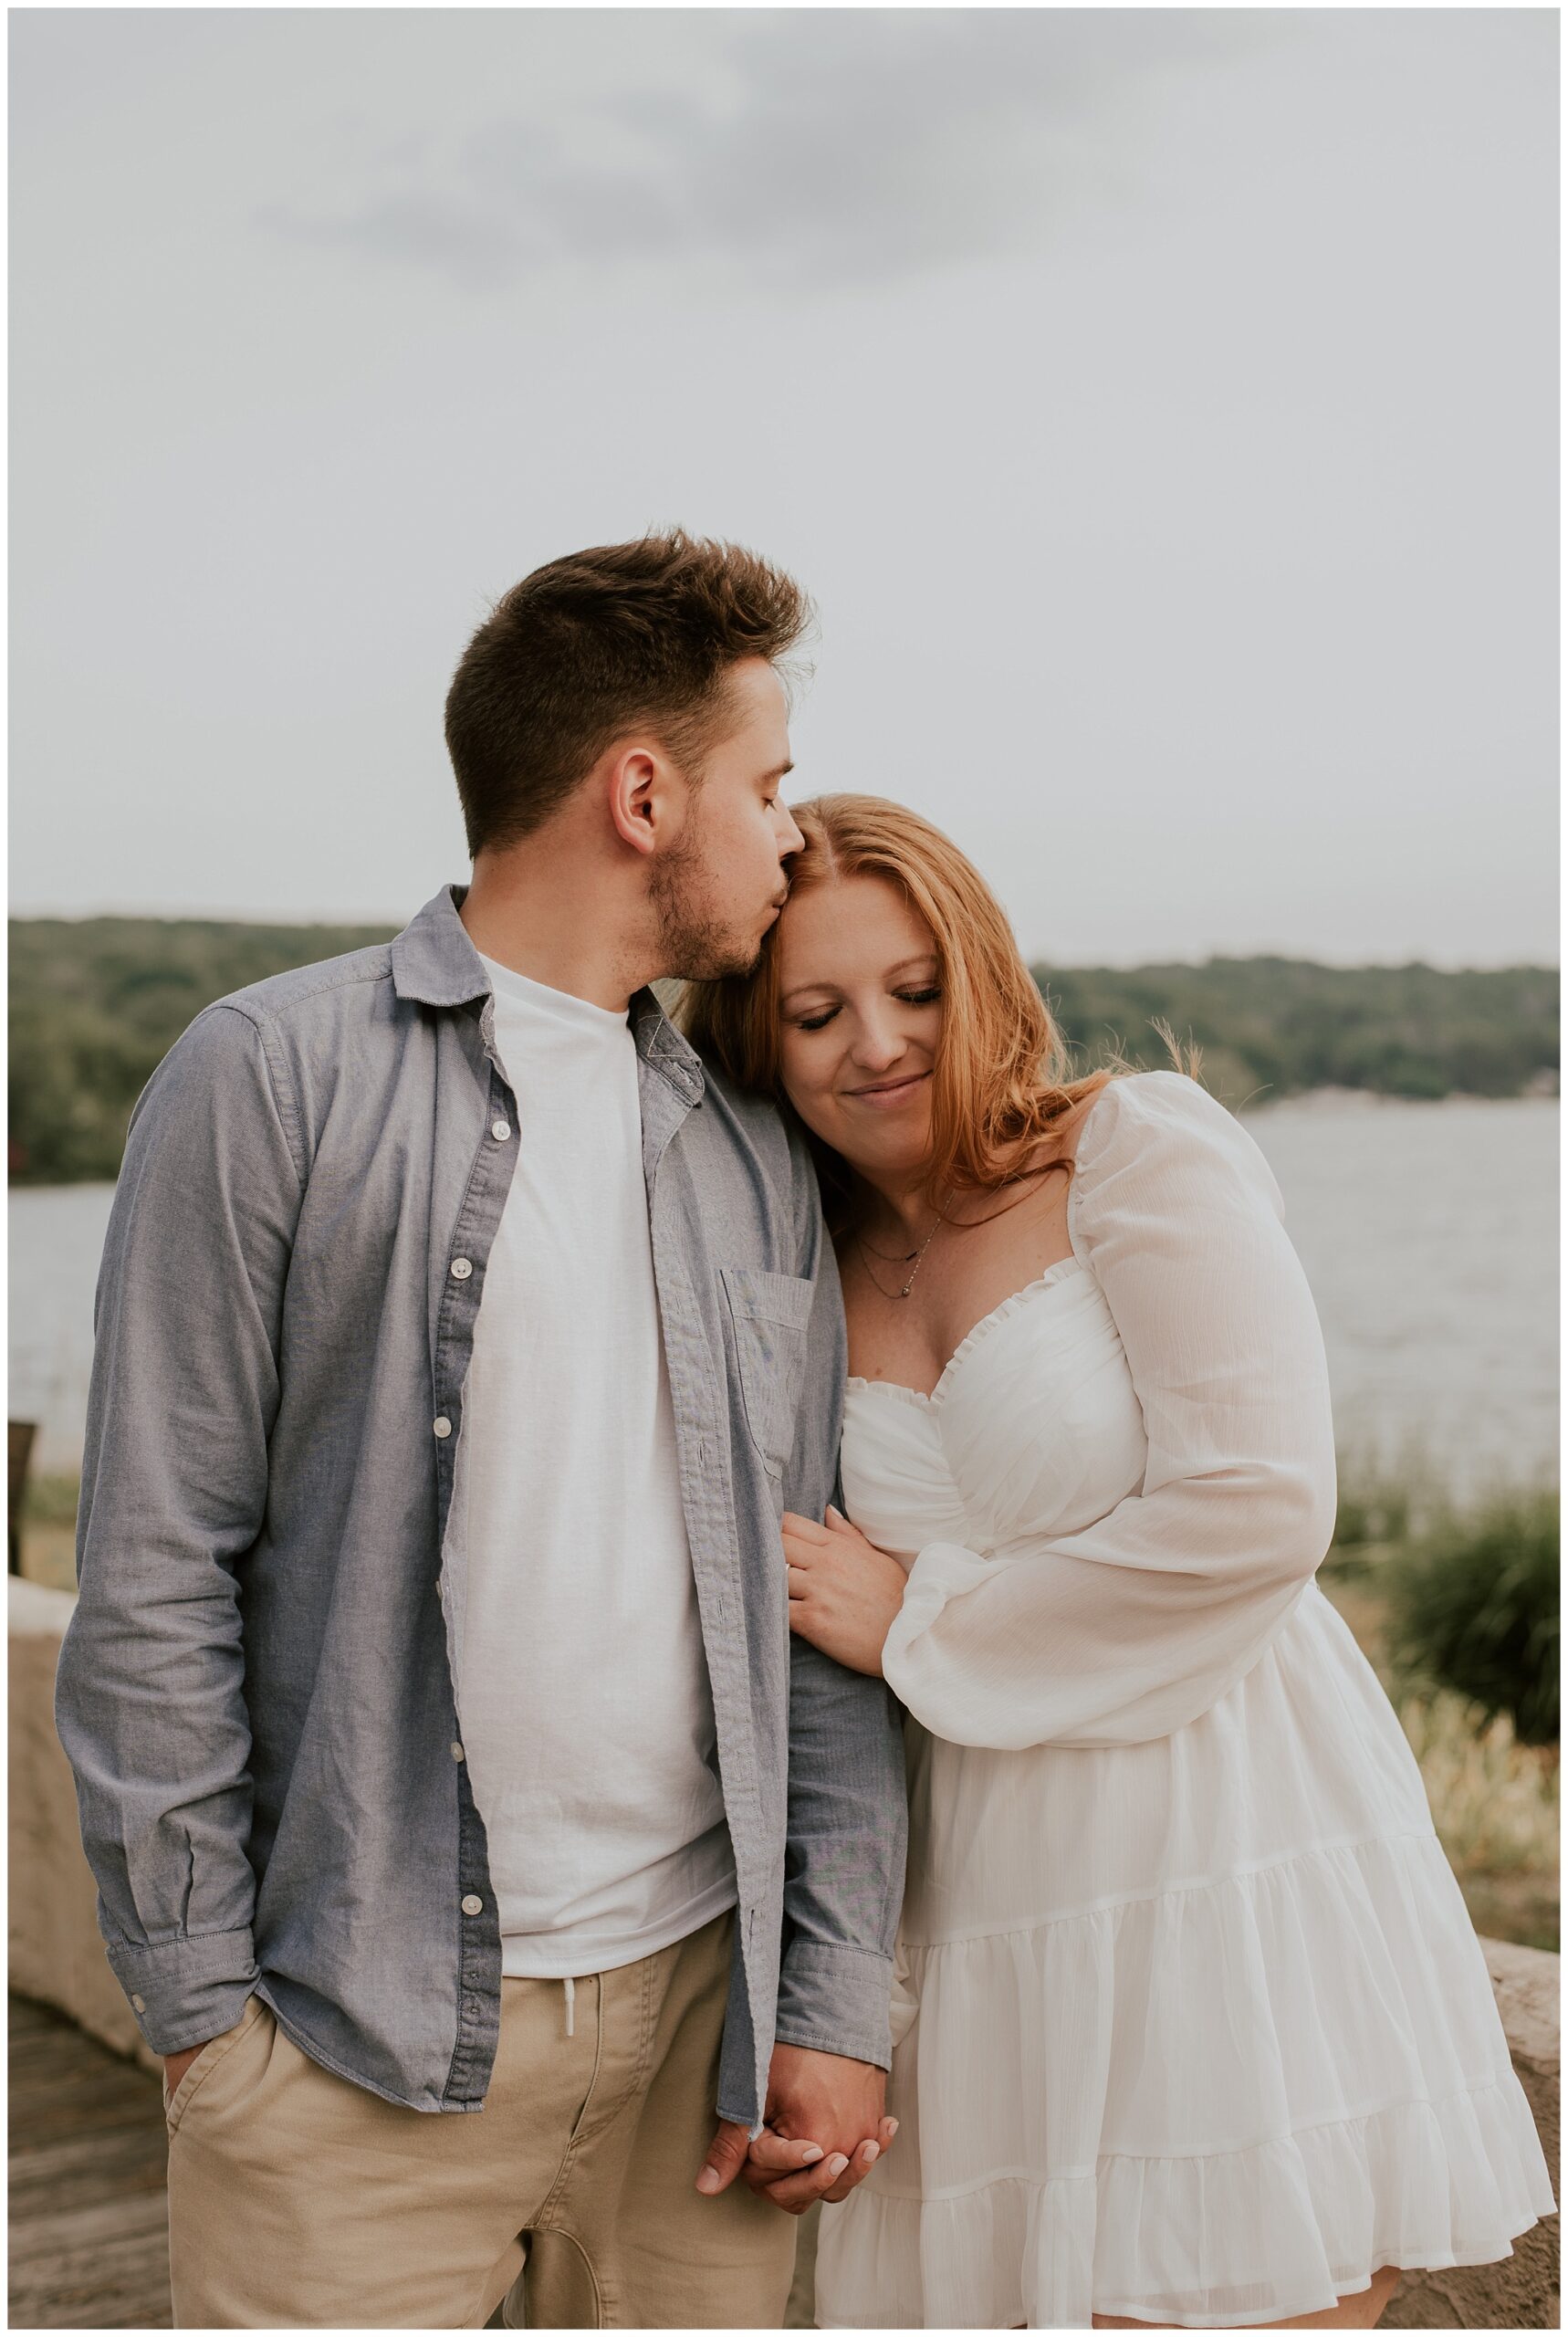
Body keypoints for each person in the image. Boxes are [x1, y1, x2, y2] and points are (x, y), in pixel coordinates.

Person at [54, 539, 908, 2331]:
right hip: (347, 2046)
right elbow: (151, 1566)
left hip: (700, 2043)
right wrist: (205, 2020)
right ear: (641, 794)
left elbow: (811, 1602)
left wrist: (827, 2002)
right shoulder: (269, 1077)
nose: (787, 835)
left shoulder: (750, 1145)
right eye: (766, 787)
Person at [682, 792, 1556, 2332]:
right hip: (981, 1887)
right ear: (761, 1042)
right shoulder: (795, 1266)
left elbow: (1259, 1505)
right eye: (816, 1014)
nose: (876, 1043)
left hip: (1220, 1830)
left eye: (913, 989)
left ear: (979, 974)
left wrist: (922, 1621)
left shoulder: (1131, 1151)